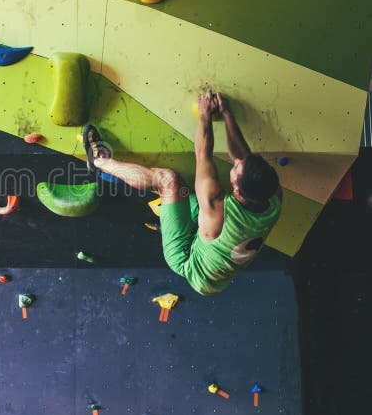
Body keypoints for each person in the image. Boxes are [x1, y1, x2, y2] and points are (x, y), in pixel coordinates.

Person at [84, 91, 282, 295]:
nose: (237, 161)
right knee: (184, 190)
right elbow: (244, 157)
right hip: (216, 265)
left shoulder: (216, 209)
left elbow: (203, 154)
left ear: (237, 191)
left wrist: (205, 115)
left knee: (169, 181)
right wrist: (227, 113)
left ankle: (98, 161)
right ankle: (133, 181)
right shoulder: (273, 195)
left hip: (188, 261)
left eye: (235, 169)